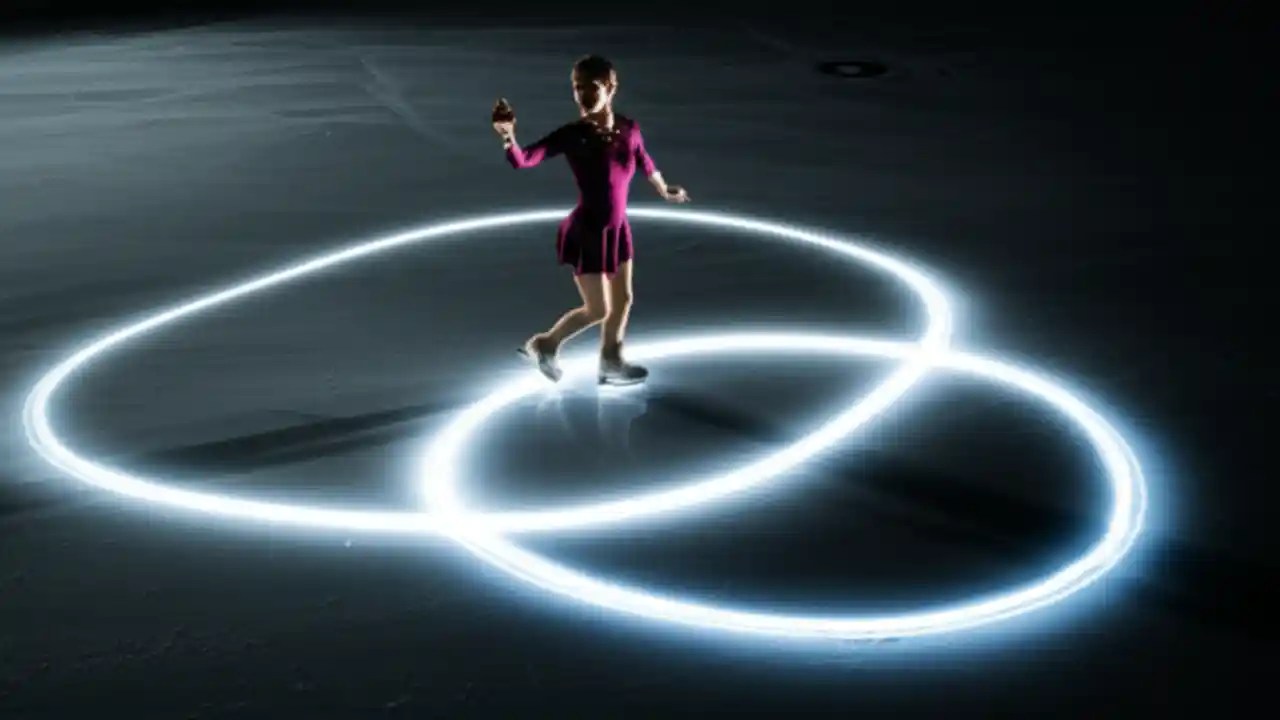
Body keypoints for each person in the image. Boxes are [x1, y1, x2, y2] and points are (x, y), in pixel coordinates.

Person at [492, 54, 690, 386]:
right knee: (598, 309)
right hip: (589, 231)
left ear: (611, 87)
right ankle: (544, 344)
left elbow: (644, 160)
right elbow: (524, 160)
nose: (583, 95)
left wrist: (664, 188)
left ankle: (611, 361)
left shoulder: (629, 129)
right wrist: (508, 136)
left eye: (591, 87)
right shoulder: (573, 135)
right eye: (576, 87)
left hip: (617, 229)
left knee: (623, 299)